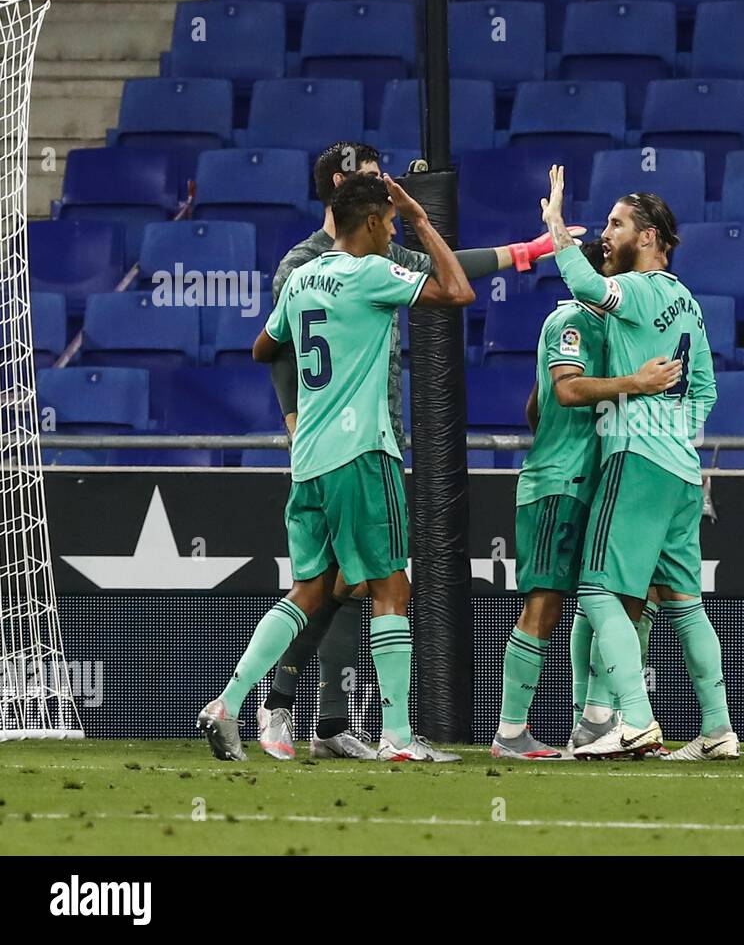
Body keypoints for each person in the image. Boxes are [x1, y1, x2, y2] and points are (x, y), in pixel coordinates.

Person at [256, 141, 578, 761]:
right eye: (380, 184)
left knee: (350, 585)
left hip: (375, 435)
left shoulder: (377, 250)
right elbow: (278, 353)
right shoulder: (308, 261)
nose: (394, 195)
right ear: (347, 190)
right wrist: (294, 420)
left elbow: (450, 266)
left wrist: (530, 251)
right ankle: (279, 707)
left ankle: (327, 722)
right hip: (330, 442)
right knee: (338, 583)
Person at [197, 175, 474, 762]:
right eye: (391, 222)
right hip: (361, 453)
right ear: (372, 222)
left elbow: (261, 347)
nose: (395, 229)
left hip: (310, 458)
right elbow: (457, 291)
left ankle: (227, 703)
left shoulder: (299, 280)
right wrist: (425, 221)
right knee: (390, 586)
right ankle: (398, 736)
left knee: (308, 590)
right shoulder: (372, 274)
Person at [540, 166, 738, 760]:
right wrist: (681, 435)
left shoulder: (644, 289)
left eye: (616, 224)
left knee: (597, 588)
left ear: (647, 237)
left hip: (638, 458)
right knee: (684, 602)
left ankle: (637, 722)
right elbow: (705, 389)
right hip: (681, 469)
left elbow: (586, 286)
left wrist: (555, 228)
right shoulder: (690, 305)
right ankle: (718, 730)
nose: (606, 234)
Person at [493, 240, 682, 759]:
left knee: (609, 599)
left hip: (594, 483)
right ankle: (510, 733)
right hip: (559, 484)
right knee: (546, 604)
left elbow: (534, 403)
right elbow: (562, 392)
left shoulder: (612, 328)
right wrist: (634, 386)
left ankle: (594, 722)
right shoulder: (572, 321)